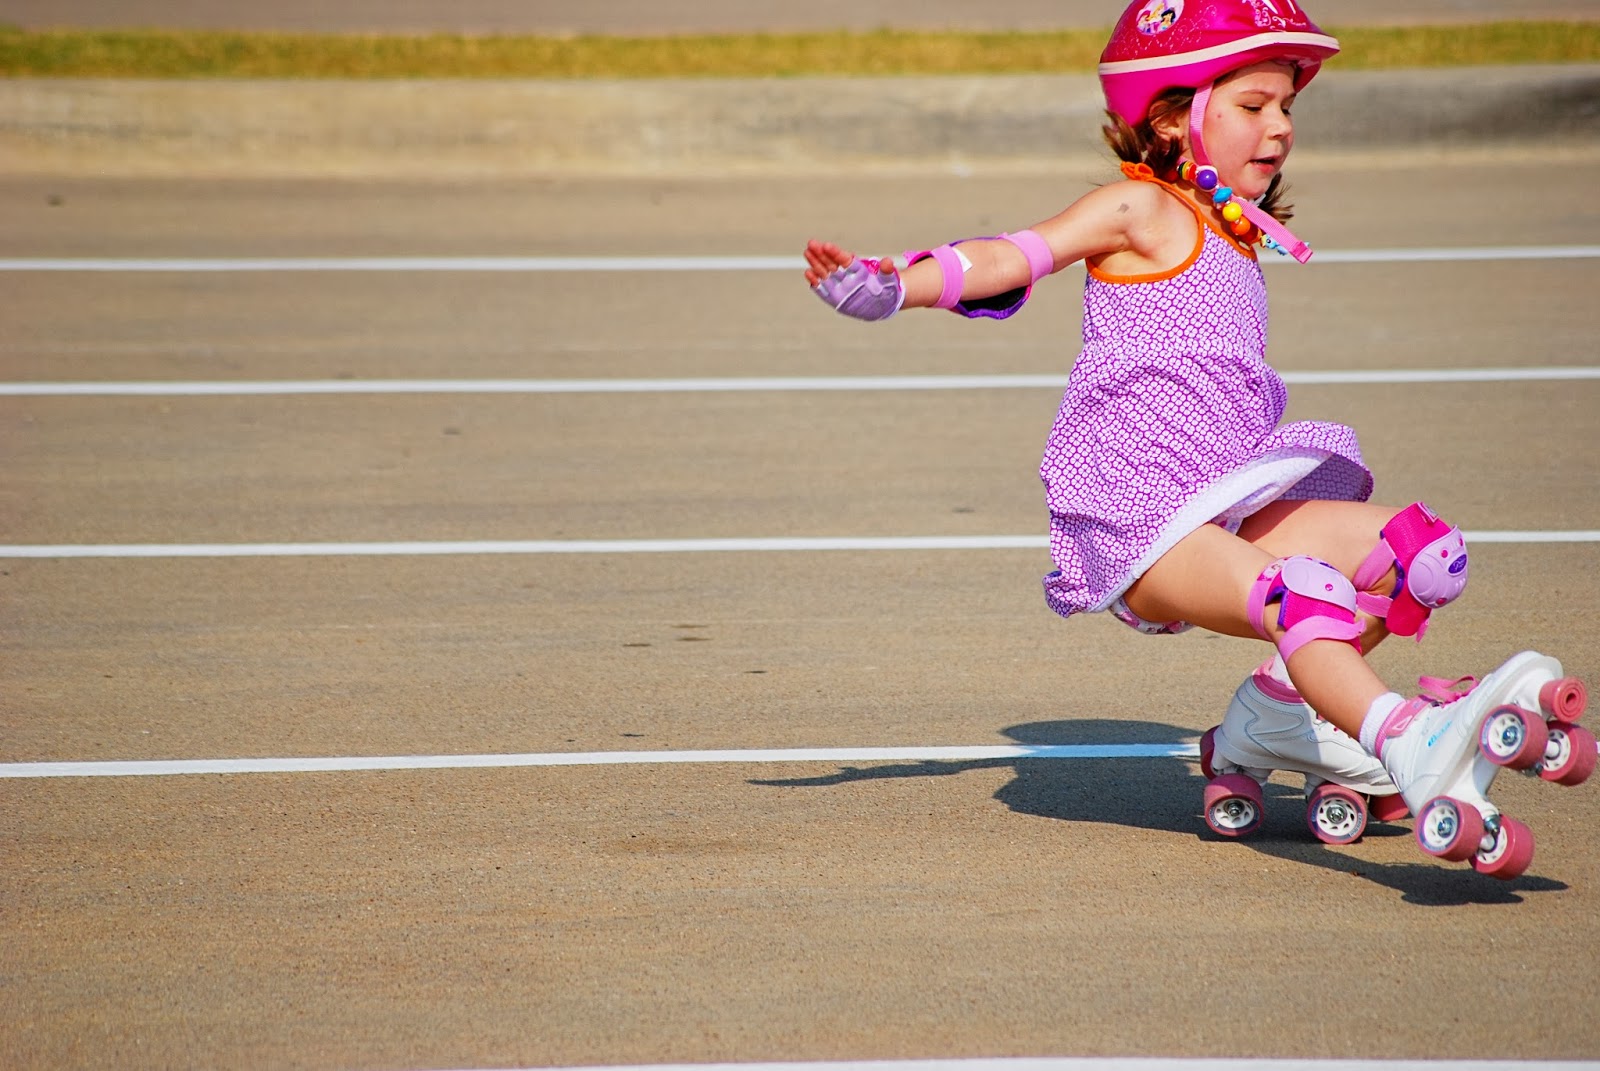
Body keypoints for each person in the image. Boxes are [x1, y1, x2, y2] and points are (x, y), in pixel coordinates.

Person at [803, 0, 1593, 877]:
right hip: (1144, 517)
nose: (1281, 128)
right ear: (1178, 113)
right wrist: (895, 286)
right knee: (1305, 598)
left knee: (1423, 553)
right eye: (1254, 106)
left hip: (1226, 492)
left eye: (1287, 108)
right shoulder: (1140, 208)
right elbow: (1011, 256)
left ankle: (1279, 712)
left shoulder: (1236, 228)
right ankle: (1405, 739)